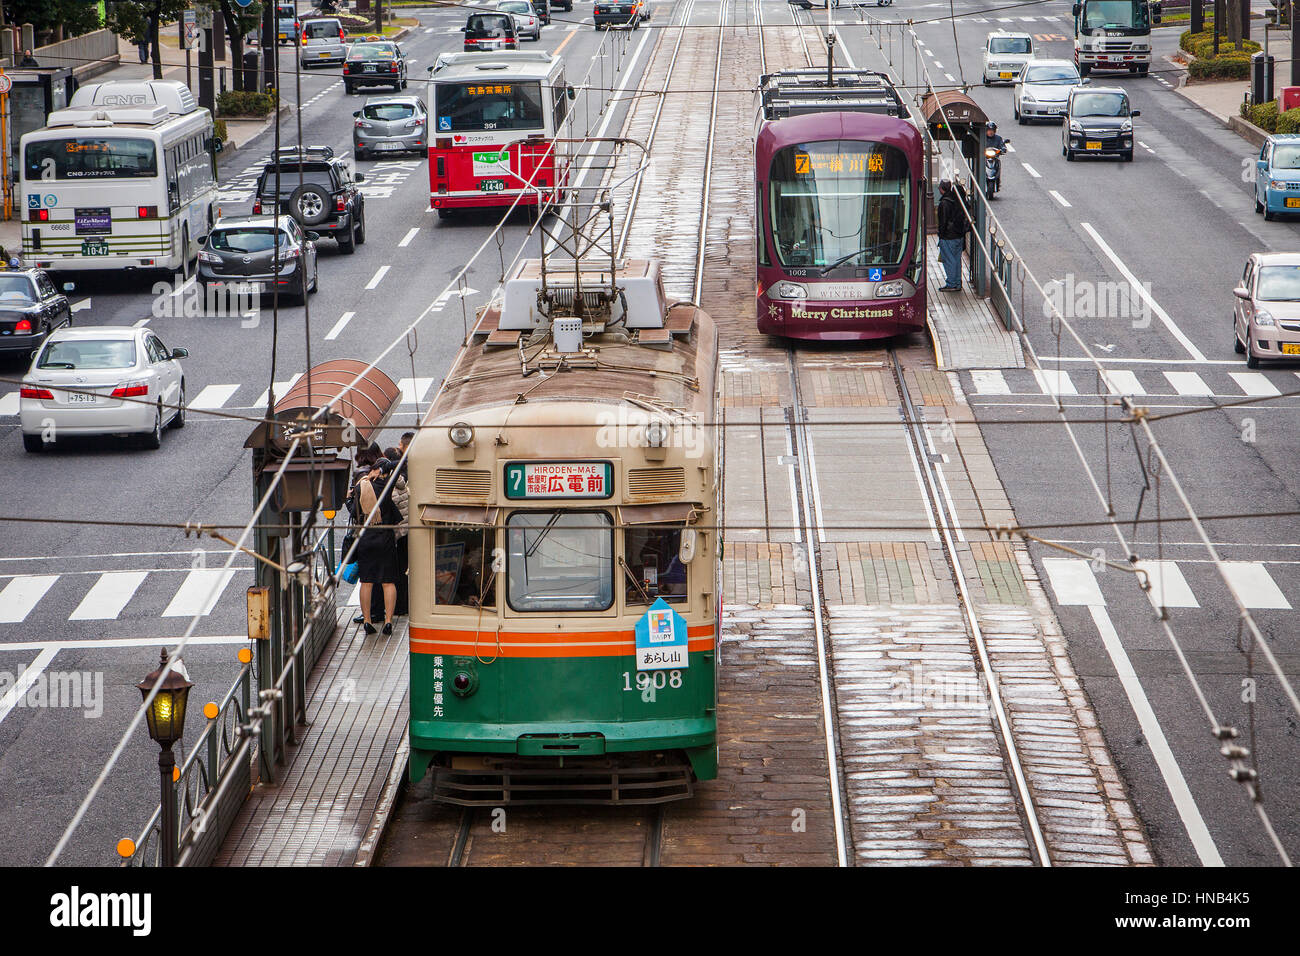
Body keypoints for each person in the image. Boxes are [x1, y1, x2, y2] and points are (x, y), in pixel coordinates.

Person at [353, 458, 402, 635]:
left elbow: (353, 512)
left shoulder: (360, 487)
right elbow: (398, 466)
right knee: (388, 582)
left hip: (366, 538)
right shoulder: (386, 486)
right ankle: (388, 621)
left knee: (366, 581)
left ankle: (367, 620)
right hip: (385, 538)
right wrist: (383, 469)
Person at [383, 445, 410, 616]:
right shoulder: (403, 480)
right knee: (403, 570)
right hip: (406, 531)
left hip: (397, 533)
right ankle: (403, 605)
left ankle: (399, 607)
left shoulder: (390, 485)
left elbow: (389, 507)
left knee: (395, 573)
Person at [936, 179, 967, 292]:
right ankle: (957, 282)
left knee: (949, 260)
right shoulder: (956, 199)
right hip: (959, 235)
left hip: (949, 236)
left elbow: (943, 222)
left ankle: (951, 283)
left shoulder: (944, 203)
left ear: (941, 189)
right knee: (956, 260)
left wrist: (941, 235)